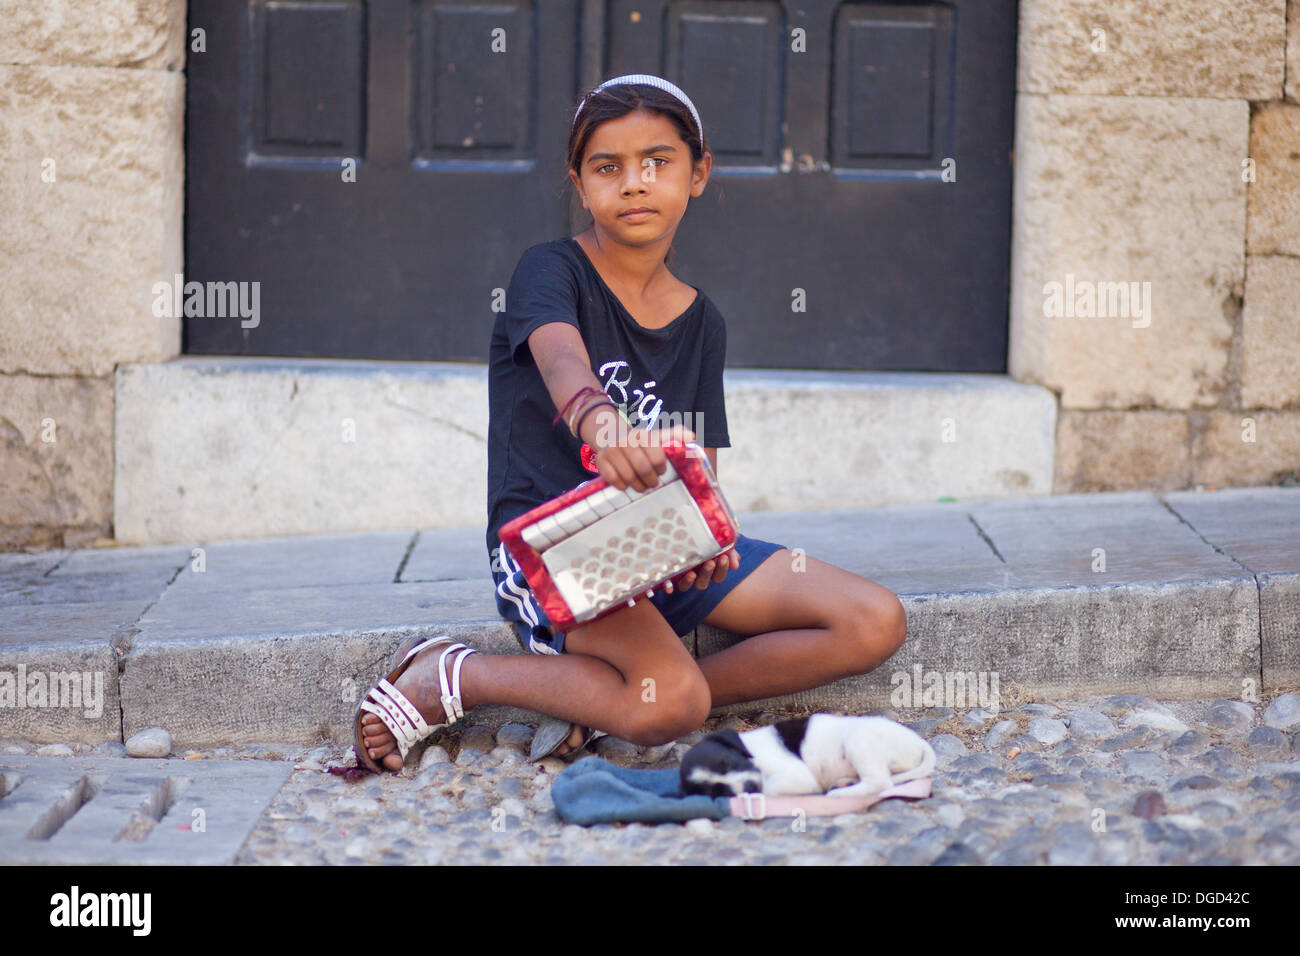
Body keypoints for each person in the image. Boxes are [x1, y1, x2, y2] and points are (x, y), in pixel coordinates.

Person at [355, 74, 907, 773]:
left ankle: (607, 699)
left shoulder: (702, 319)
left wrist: (706, 532)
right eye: (607, 167)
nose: (634, 183)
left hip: (658, 549)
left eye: (658, 162)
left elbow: (700, 464)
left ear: (698, 173)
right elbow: (561, 361)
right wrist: (602, 425)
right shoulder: (549, 271)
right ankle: (455, 675)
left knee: (872, 620)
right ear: (580, 185)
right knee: (665, 710)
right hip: (557, 549)